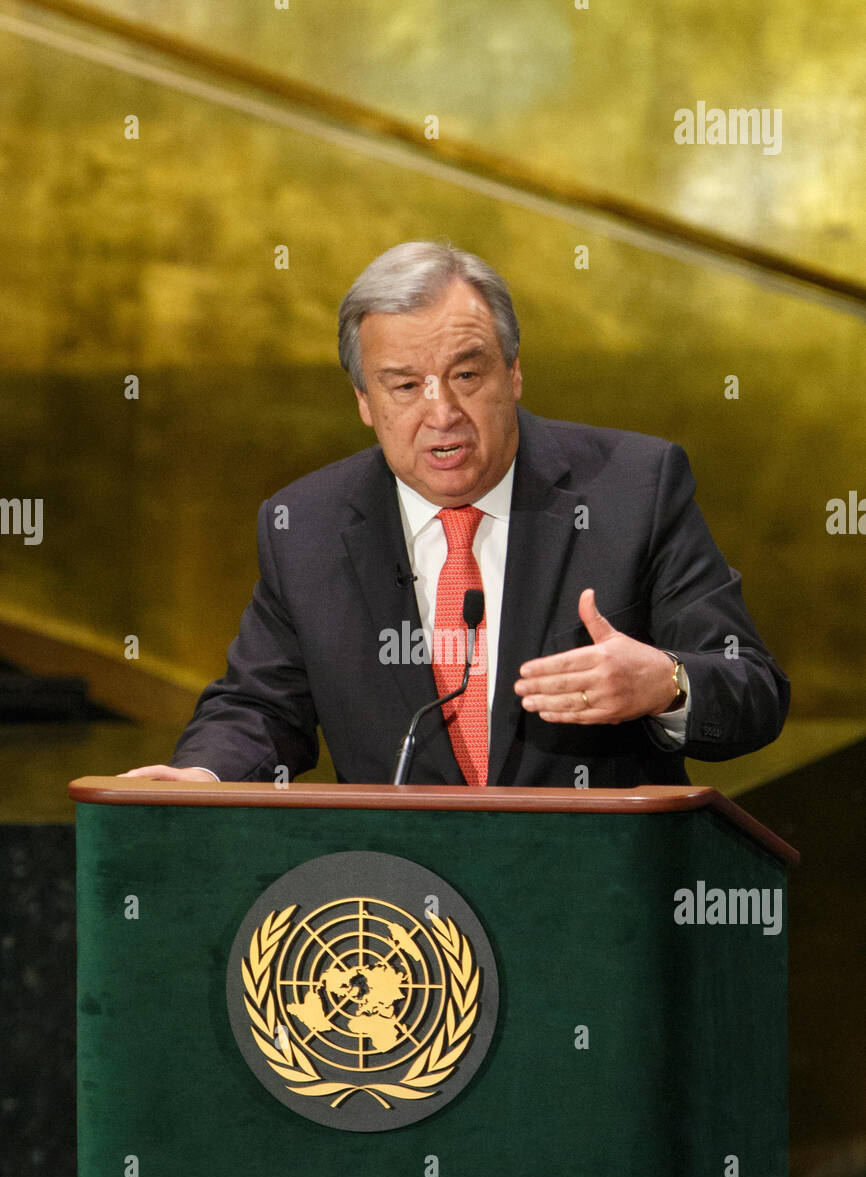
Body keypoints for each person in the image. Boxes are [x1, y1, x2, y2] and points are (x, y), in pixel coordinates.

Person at [122, 241, 789, 788]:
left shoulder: (634, 490)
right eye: (405, 386)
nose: (441, 414)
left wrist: (665, 684)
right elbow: (261, 706)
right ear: (363, 399)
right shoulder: (306, 527)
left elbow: (752, 689)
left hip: (599, 904)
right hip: (400, 918)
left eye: (467, 377)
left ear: (514, 374)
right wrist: (204, 775)